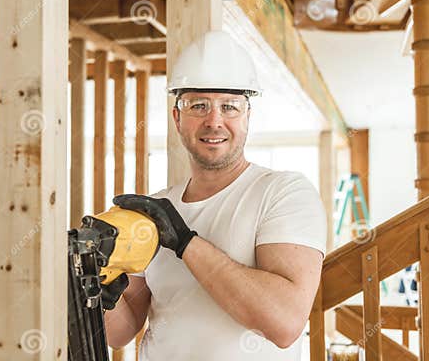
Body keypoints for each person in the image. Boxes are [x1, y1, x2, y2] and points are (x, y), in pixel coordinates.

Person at [103, 30, 327, 360]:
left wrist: (185, 242)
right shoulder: (153, 212)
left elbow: (284, 323)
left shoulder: (283, 193)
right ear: (177, 118)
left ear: (247, 116)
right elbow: (121, 332)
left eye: (230, 107)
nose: (214, 121)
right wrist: (95, 289)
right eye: (199, 105)